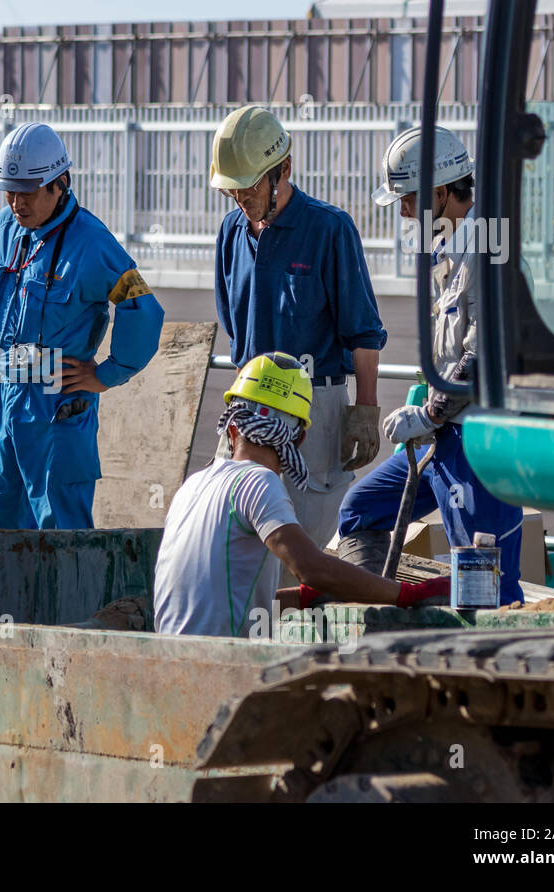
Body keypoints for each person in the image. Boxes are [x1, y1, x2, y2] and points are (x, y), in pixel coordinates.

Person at [336, 125, 524, 605]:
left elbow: (484, 356)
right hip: (446, 433)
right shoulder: (446, 247)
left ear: (440, 193)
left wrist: (431, 413)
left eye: (406, 198)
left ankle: (490, 667)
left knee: (484, 574)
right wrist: (430, 409)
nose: (401, 210)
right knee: (362, 509)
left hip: (481, 440)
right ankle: (377, 620)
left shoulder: (489, 253)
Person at [153, 352, 449, 638]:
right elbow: (311, 568)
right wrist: (411, 594)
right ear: (300, 438)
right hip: (221, 663)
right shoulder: (257, 481)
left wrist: (305, 597)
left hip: (168, 653)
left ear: (232, 428)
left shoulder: (192, 485)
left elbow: (225, 606)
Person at [209, 104, 388, 567]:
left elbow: (363, 333)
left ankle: (296, 638)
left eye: (248, 189)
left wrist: (364, 409)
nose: (240, 201)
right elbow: (233, 321)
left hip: (313, 411)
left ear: (283, 169)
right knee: (237, 546)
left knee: (301, 552)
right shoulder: (231, 233)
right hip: (247, 409)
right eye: (232, 191)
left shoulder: (329, 229)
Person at [0, 122, 165, 529]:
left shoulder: (93, 243)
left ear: (58, 183)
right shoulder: (5, 229)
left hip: (57, 408)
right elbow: (1, 309)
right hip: (7, 401)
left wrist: (107, 374)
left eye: (26, 192)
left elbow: (145, 310)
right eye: (9, 190)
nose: (16, 203)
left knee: (60, 534)